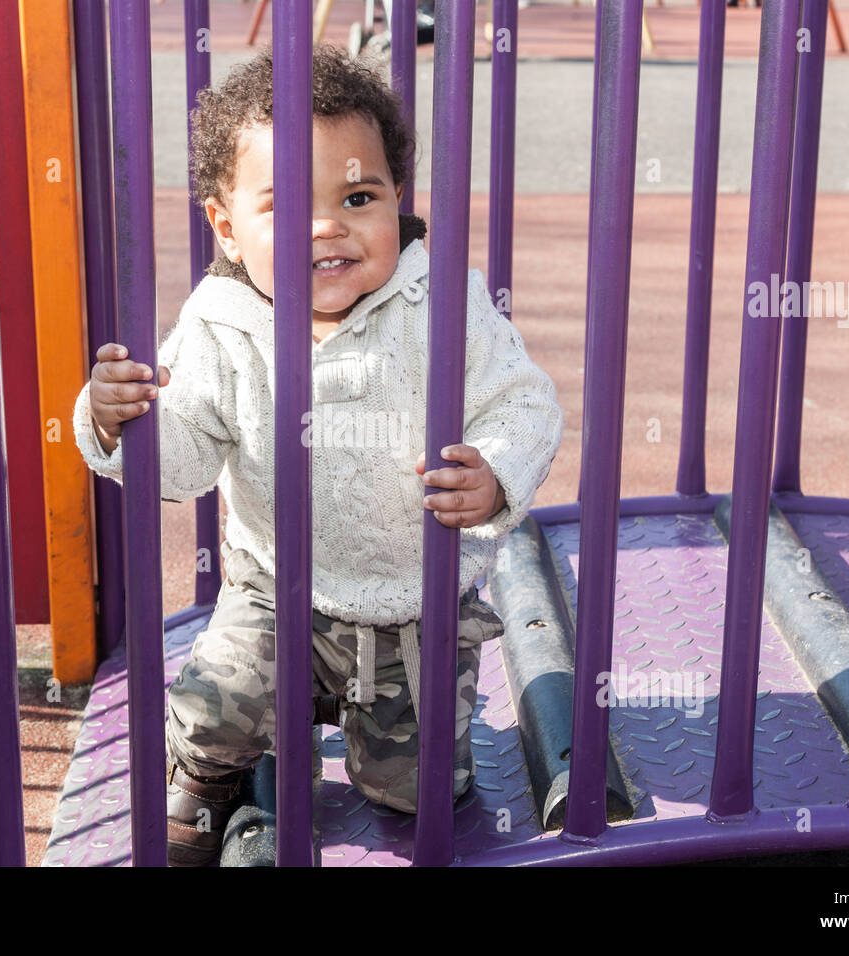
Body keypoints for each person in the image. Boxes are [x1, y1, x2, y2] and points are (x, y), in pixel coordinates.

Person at [73, 43, 564, 865]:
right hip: (275, 592)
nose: (329, 226)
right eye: (287, 205)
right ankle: (212, 771)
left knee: (414, 790)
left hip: (412, 602)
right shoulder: (221, 324)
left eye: (358, 196)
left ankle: (352, 731)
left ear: (395, 198)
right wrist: (122, 422)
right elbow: (186, 462)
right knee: (211, 705)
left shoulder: (437, 300)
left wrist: (495, 468)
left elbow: (524, 399)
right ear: (227, 226)